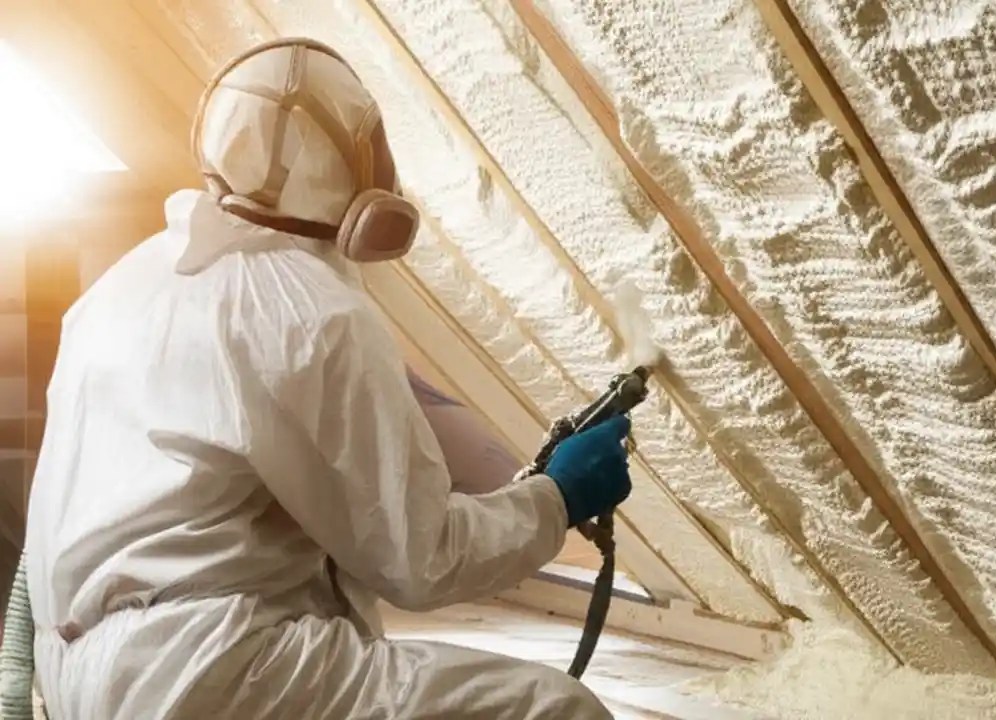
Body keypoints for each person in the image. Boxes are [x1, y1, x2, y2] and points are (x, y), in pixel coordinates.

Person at [21, 37, 631, 719]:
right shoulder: (316, 314)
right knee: (555, 709)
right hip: (208, 670)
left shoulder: (121, 287)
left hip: (75, 677)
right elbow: (421, 558)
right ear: (346, 162)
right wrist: (558, 498)